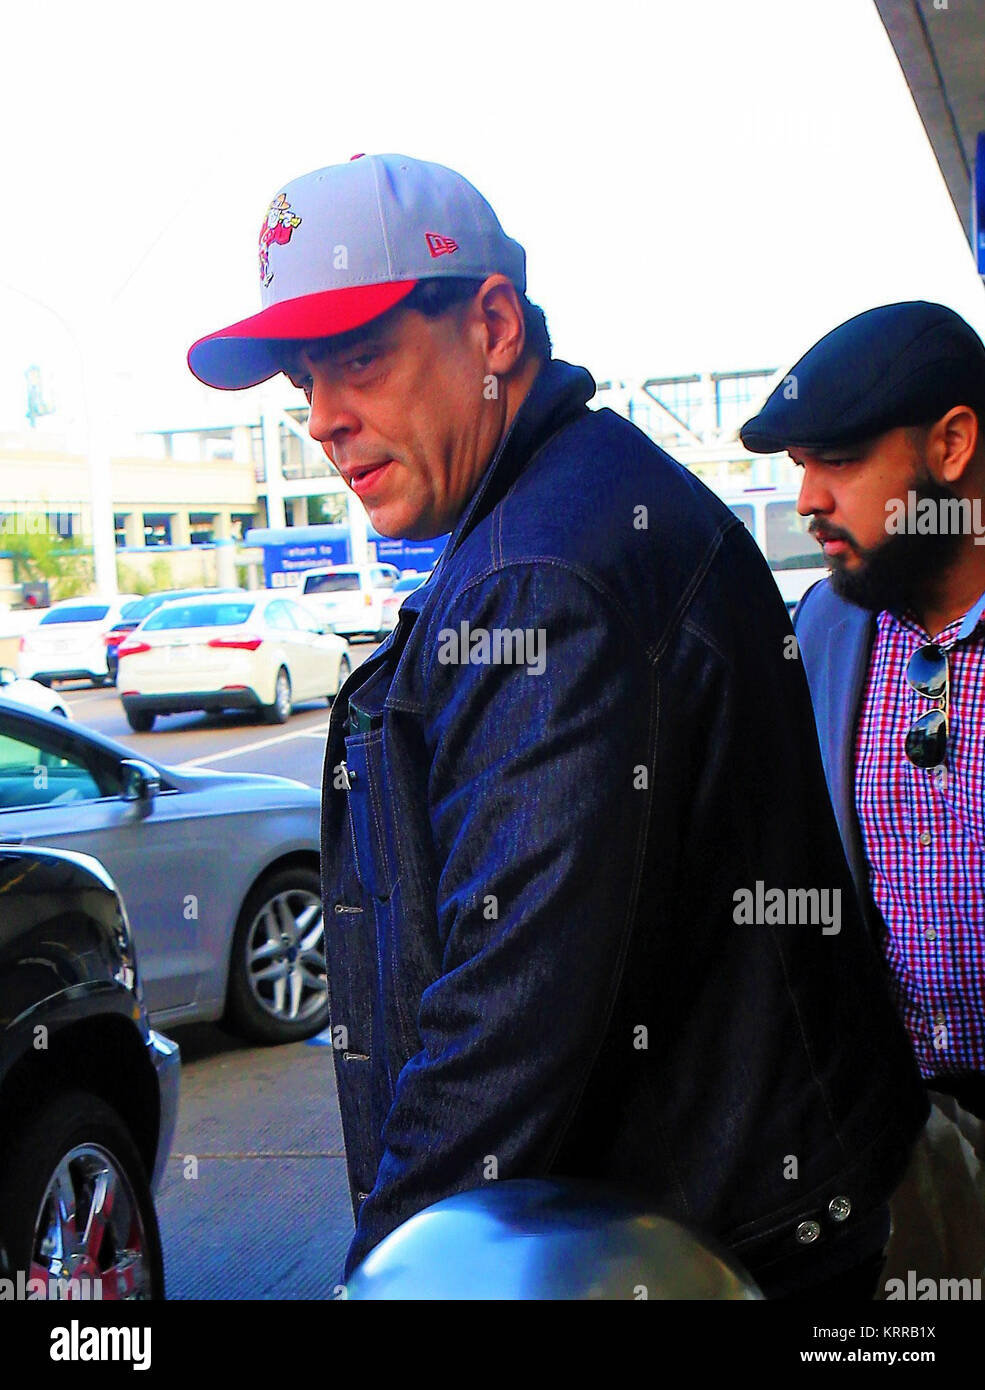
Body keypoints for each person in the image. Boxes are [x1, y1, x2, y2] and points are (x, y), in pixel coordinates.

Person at [188, 154, 927, 1298]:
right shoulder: (562, 514)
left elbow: (504, 1023)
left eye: (362, 358)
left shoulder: (543, 576)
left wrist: (381, 1277)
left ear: (491, 326)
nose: (326, 418)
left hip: (700, 1253)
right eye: (304, 379)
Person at [740, 300, 985, 1141]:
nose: (808, 499)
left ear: (951, 446)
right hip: (898, 1127)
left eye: (838, 461)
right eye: (802, 465)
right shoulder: (825, 630)